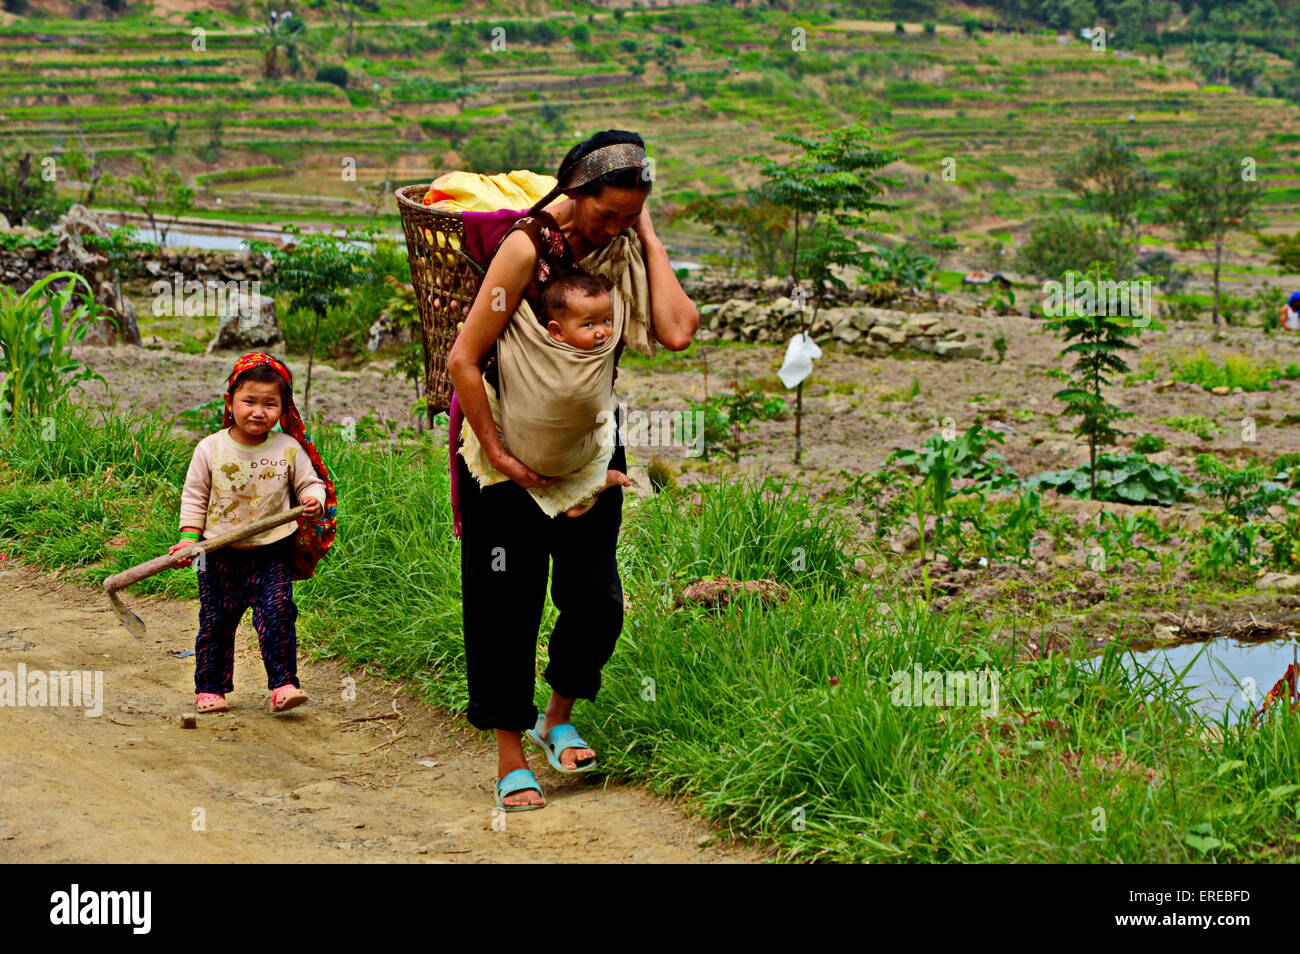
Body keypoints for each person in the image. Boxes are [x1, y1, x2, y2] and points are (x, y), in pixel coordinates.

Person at [447, 129, 698, 811]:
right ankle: (508, 755)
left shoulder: (620, 248)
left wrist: (644, 237)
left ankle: (557, 719)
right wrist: (495, 449)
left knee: (595, 597)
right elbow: (463, 359)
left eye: (629, 213)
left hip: (589, 453)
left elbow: (678, 330)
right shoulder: (527, 249)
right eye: (605, 213)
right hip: (506, 455)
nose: (613, 226)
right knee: (506, 604)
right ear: (573, 194)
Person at [168, 352, 337, 715]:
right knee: (216, 621)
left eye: (270, 404)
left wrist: (312, 499)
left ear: (284, 407)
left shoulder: (287, 449)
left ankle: (283, 685)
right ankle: (210, 688)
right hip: (218, 554)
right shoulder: (211, 448)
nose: (258, 411)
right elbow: (195, 497)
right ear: (230, 401)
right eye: (249, 401)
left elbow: (312, 482)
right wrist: (188, 538)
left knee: (278, 613)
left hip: (271, 551)